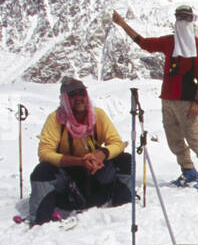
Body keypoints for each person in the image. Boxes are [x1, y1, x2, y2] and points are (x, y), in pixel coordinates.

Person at [111, 3, 198, 188]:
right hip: (168, 98)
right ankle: (188, 171)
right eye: (180, 17)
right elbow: (144, 43)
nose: (182, 21)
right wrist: (122, 24)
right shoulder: (170, 42)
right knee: (174, 138)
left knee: (195, 137)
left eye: (186, 18)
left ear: (191, 21)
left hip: (186, 100)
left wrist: (196, 102)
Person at [29, 78, 132, 226]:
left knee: (125, 160)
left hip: (96, 170)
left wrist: (100, 156)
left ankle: (123, 208)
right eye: (72, 95)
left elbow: (116, 143)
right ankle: (41, 219)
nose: (78, 98)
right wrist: (79, 162)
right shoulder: (55, 120)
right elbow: (45, 152)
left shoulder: (98, 115)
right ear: (64, 99)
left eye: (82, 93)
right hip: (68, 177)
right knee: (43, 171)